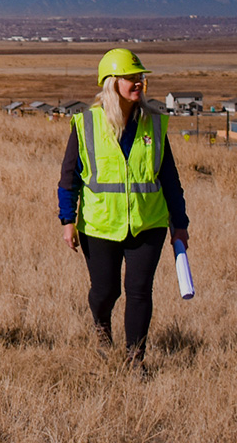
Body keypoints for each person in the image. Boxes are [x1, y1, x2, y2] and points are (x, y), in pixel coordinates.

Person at [59, 48, 189, 375]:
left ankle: (135, 359)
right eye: (131, 78)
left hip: (149, 223)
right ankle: (102, 330)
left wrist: (180, 223)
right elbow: (69, 177)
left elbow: (169, 178)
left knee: (139, 291)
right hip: (100, 225)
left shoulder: (155, 124)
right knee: (106, 291)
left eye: (140, 77)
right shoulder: (86, 123)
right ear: (111, 82)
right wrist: (67, 220)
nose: (138, 83)